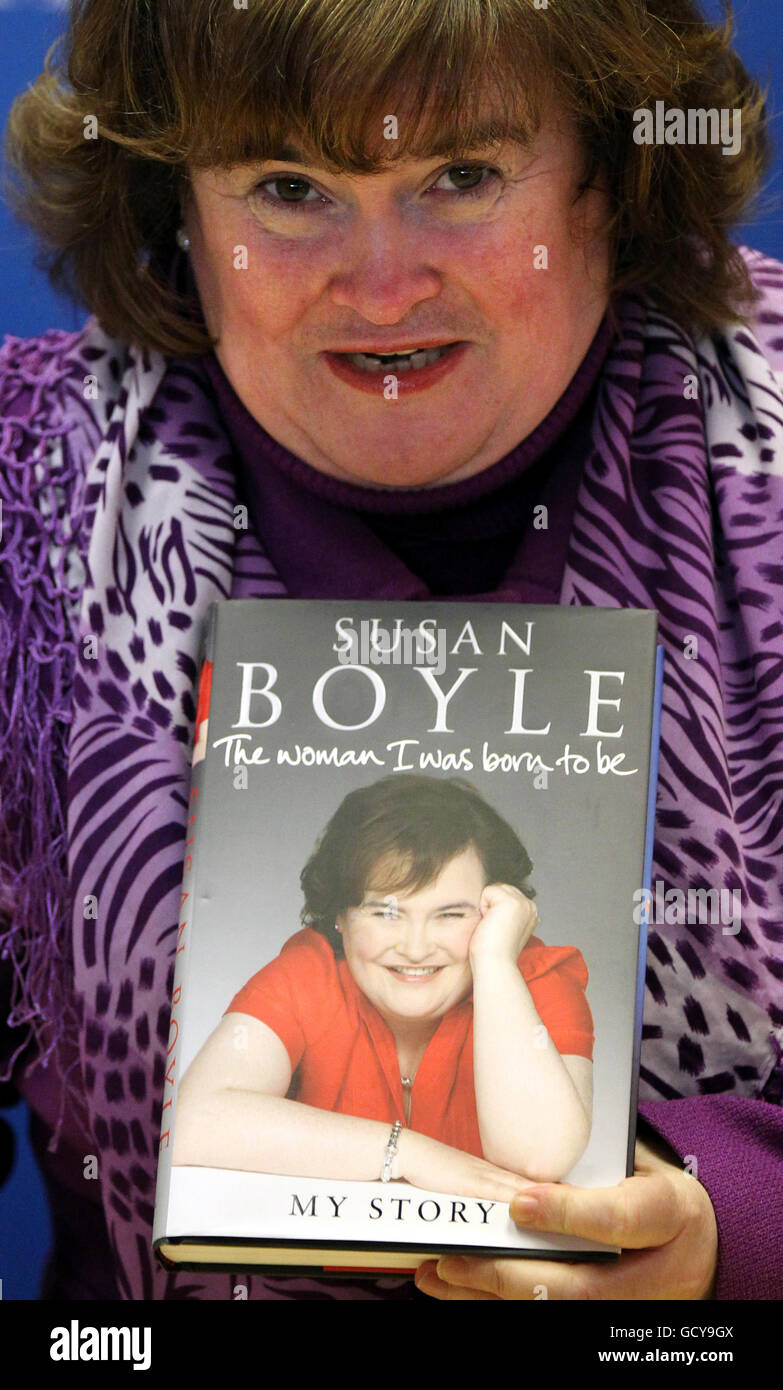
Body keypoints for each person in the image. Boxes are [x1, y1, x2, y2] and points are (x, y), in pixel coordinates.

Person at [0, 0, 781, 1301]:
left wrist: (727, 1230)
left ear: (609, 178)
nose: (378, 284)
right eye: (289, 187)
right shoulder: (25, 494)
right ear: (173, 205)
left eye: (461, 177)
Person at [172, 775, 594, 1188]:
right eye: (386, 913)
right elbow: (189, 1123)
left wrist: (496, 962)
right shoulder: (308, 976)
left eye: (451, 915)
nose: (415, 948)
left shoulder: (535, 981)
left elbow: (540, 1158)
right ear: (340, 915)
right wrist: (407, 1153)